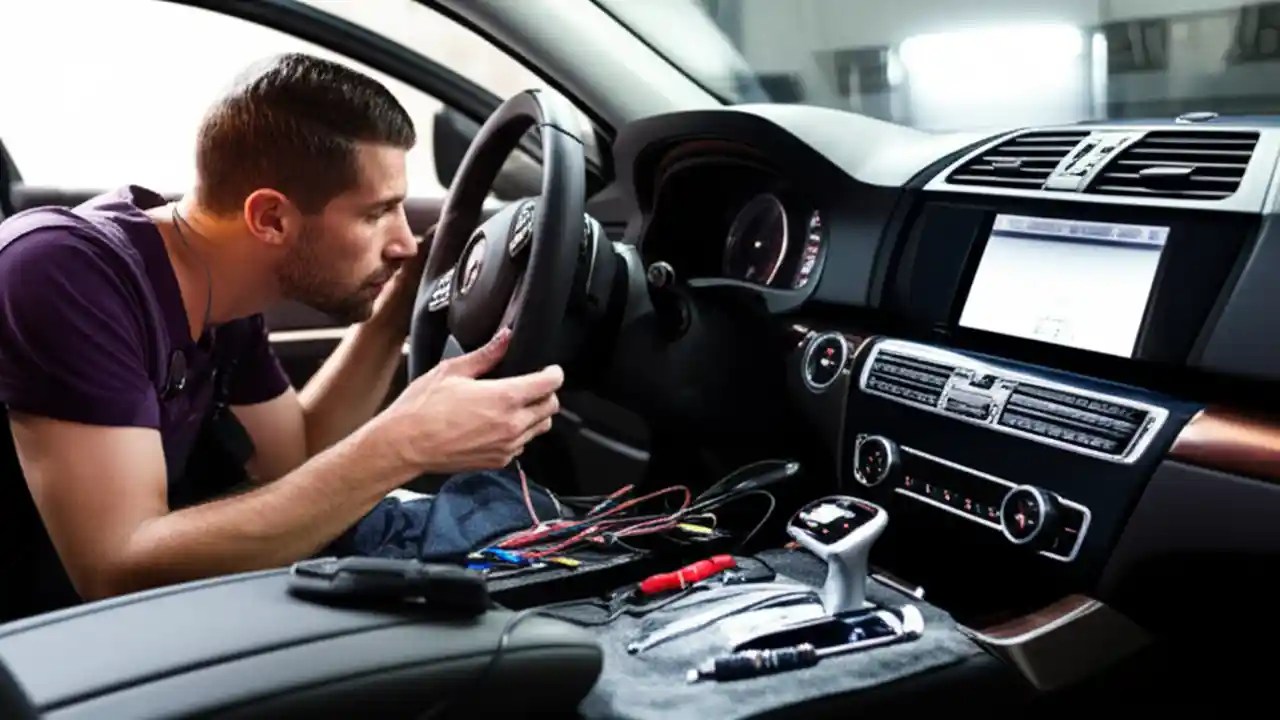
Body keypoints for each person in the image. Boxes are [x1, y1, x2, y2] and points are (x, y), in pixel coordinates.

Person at [0, 53, 563, 621]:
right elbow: (116, 570)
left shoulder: (221, 289)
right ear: (270, 219)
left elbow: (293, 455)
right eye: (377, 214)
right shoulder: (63, 271)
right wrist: (404, 443)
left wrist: (399, 308)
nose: (404, 243)